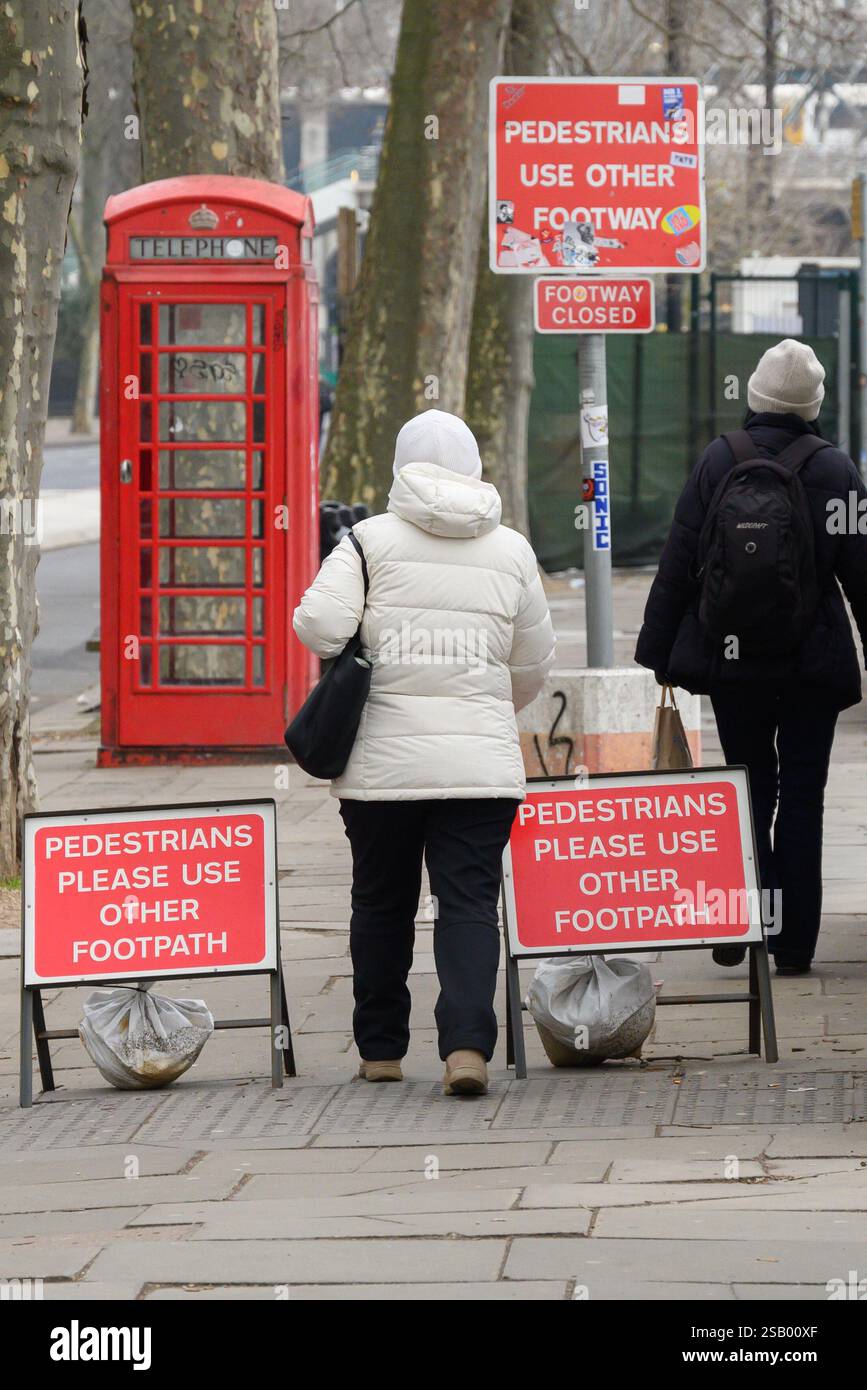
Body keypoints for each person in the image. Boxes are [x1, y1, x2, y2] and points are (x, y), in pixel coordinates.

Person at [293, 409, 555, 1094]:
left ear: (400, 468)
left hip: (381, 770)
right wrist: (487, 711)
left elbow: (318, 626)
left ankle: (381, 1049)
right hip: (479, 769)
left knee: (380, 902)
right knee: (468, 903)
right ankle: (466, 1050)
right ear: (473, 466)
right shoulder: (512, 549)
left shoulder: (367, 542)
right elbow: (532, 664)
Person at [636, 339, 867, 976]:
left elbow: (680, 560)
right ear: (814, 403)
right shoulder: (836, 470)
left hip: (730, 660)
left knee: (745, 790)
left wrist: (659, 652)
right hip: (810, 665)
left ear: (756, 396)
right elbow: (863, 575)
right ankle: (792, 946)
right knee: (802, 797)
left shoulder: (718, 459)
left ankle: (745, 920)